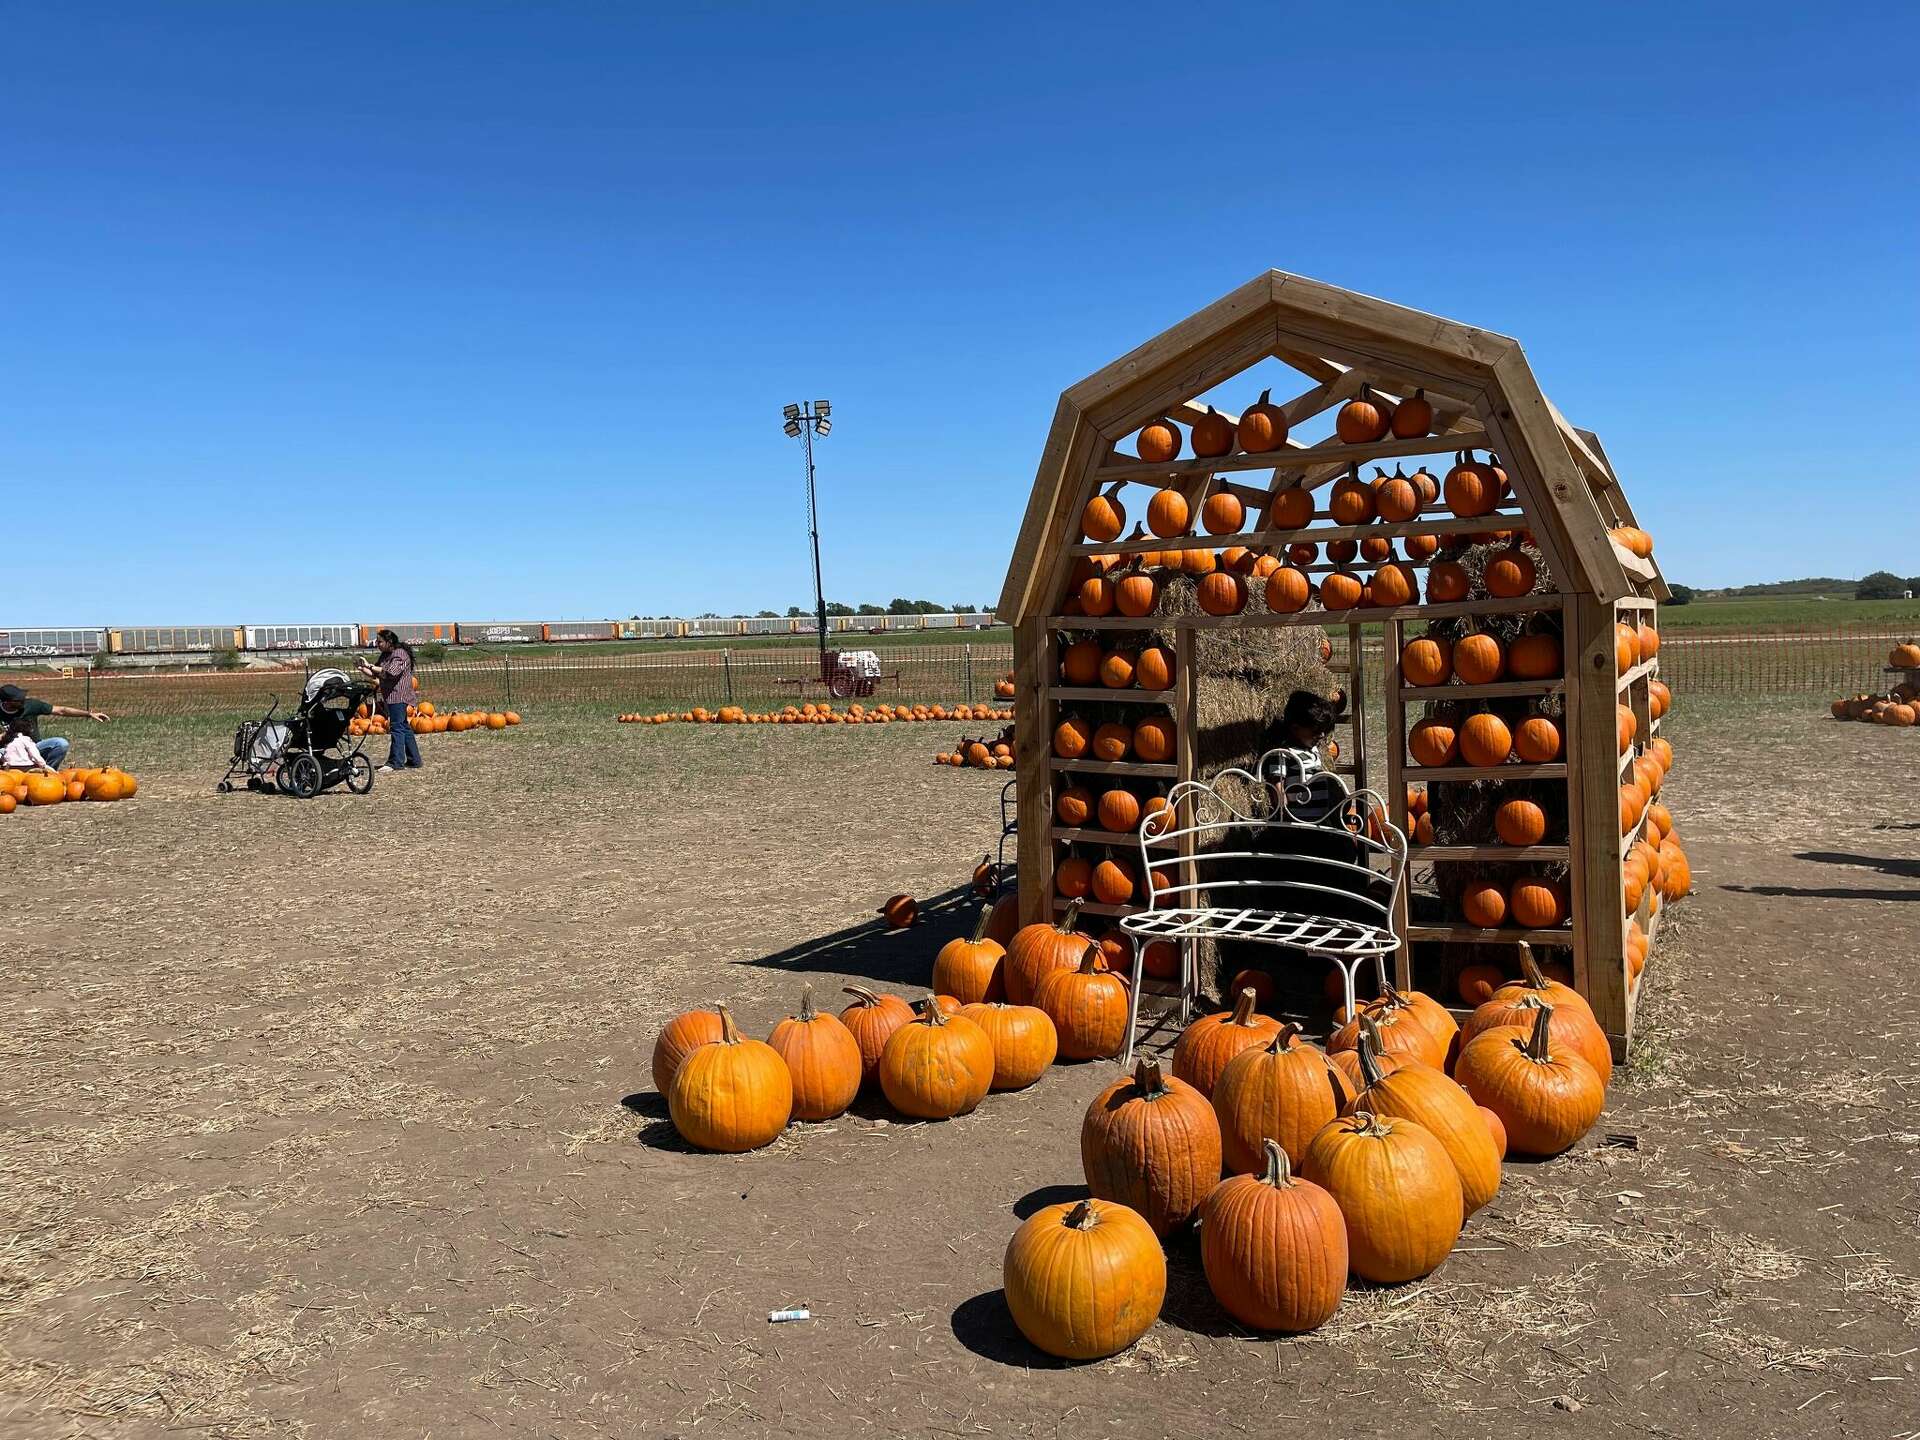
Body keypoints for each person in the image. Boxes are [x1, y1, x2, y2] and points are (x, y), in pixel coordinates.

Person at [0, 683, 110, 769]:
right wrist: (9, 735)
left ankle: (46, 775)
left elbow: (61, 710)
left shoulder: (31, 705)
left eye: (23, 698)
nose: (23, 701)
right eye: (19, 700)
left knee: (61, 744)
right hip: (6, 750)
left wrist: (88, 714)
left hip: (34, 747)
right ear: (7, 702)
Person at [358, 630, 422, 773]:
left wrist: (370, 666)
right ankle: (414, 760)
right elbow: (377, 672)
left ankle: (395, 762)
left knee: (397, 727)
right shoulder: (385, 655)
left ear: (389, 642)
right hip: (390, 696)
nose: (377, 644)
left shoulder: (400, 654)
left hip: (399, 696)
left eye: (380, 641)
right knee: (404, 726)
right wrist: (362, 668)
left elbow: (391, 673)